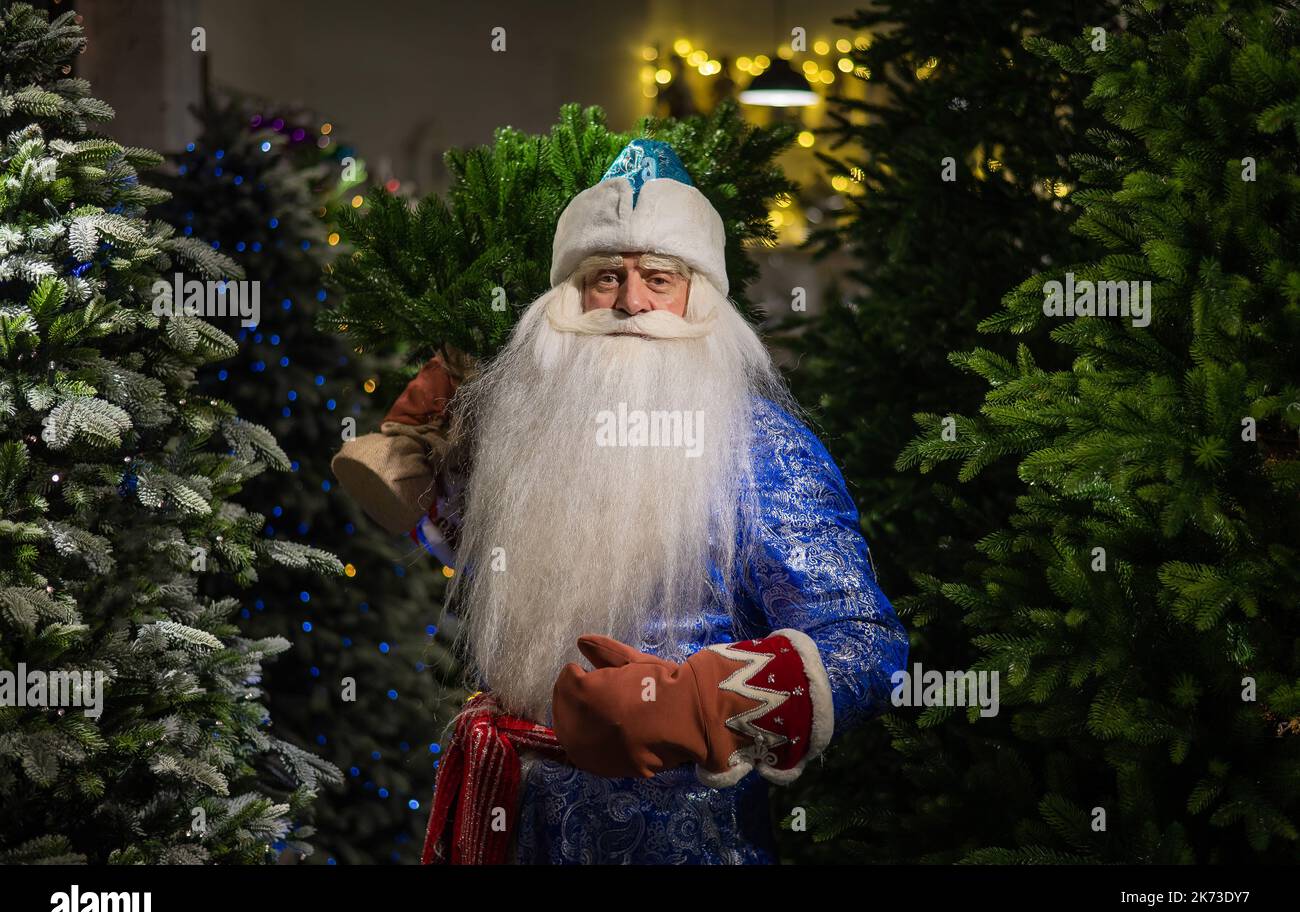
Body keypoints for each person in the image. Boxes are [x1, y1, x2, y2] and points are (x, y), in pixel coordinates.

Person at [333, 139, 909, 864]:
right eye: (607, 276)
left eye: (660, 278)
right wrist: (423, 440)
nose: (632, 302)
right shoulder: (523, 427)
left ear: (701, 297)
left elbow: (866, 644)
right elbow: (456, 542)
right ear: (568, 296)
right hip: (523, 825)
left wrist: (707, 704)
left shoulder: (758, 445)